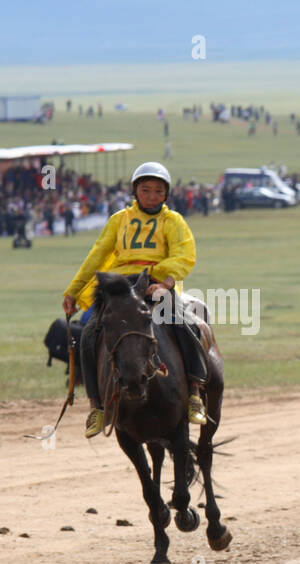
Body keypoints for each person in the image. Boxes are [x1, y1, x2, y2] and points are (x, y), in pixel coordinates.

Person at [62, 162, 208, 438]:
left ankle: (194, 394)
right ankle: (97, 405)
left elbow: (184, 254)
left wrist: (164, 281)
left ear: (166, 194)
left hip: (157, 282)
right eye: (145, 190)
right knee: (90, 333)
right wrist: (72, 291)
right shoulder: (119, 220)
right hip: (120, 286)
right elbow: (97, 256)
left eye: (157, 191)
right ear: (135, 191)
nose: (151, 196)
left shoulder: (174, 221)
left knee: (188, 325)